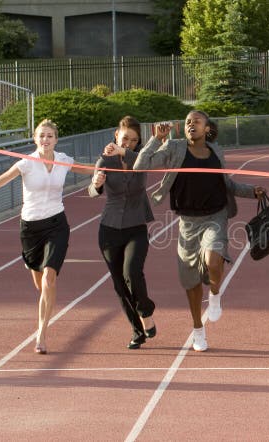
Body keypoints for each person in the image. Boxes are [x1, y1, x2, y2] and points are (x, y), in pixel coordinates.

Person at [127, 110, 265, 352]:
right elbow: (140, 167)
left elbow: (227, 184)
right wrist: (156, 141)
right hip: (187, 222)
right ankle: (198, 330)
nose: (191, 124)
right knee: (190, 282)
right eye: (188, 122)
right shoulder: (174, 148)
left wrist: (251, 190)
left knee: (214, 260)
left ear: (206, 127)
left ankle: (214, 294)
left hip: (215, 216)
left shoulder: (215, 152)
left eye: (196, 121)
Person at [0, 119, 94, 354]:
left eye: (50, 136)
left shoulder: (64, 160)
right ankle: (46, 305)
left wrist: (113, 165)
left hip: (57, 224)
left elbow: (88, 168)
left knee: (49, 279)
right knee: (40, 284)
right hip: (31, 229)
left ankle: (41, 334)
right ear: (35, 139)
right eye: (42, 135)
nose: (46, 140)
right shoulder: (26, 163)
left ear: (56, 139)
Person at [88, 116, 158, 350]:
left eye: (133, 140)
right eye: (124, 138)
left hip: (136, 226)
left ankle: (145, 311)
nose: (128, 143)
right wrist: (97, 183)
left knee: (132, 272)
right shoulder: (104, 160)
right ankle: (137, 330)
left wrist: (122, 151)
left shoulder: (139, 160)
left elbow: (144, 162)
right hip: (109, 229)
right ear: (116, 135)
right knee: (119, 284)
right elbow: (92, 192)